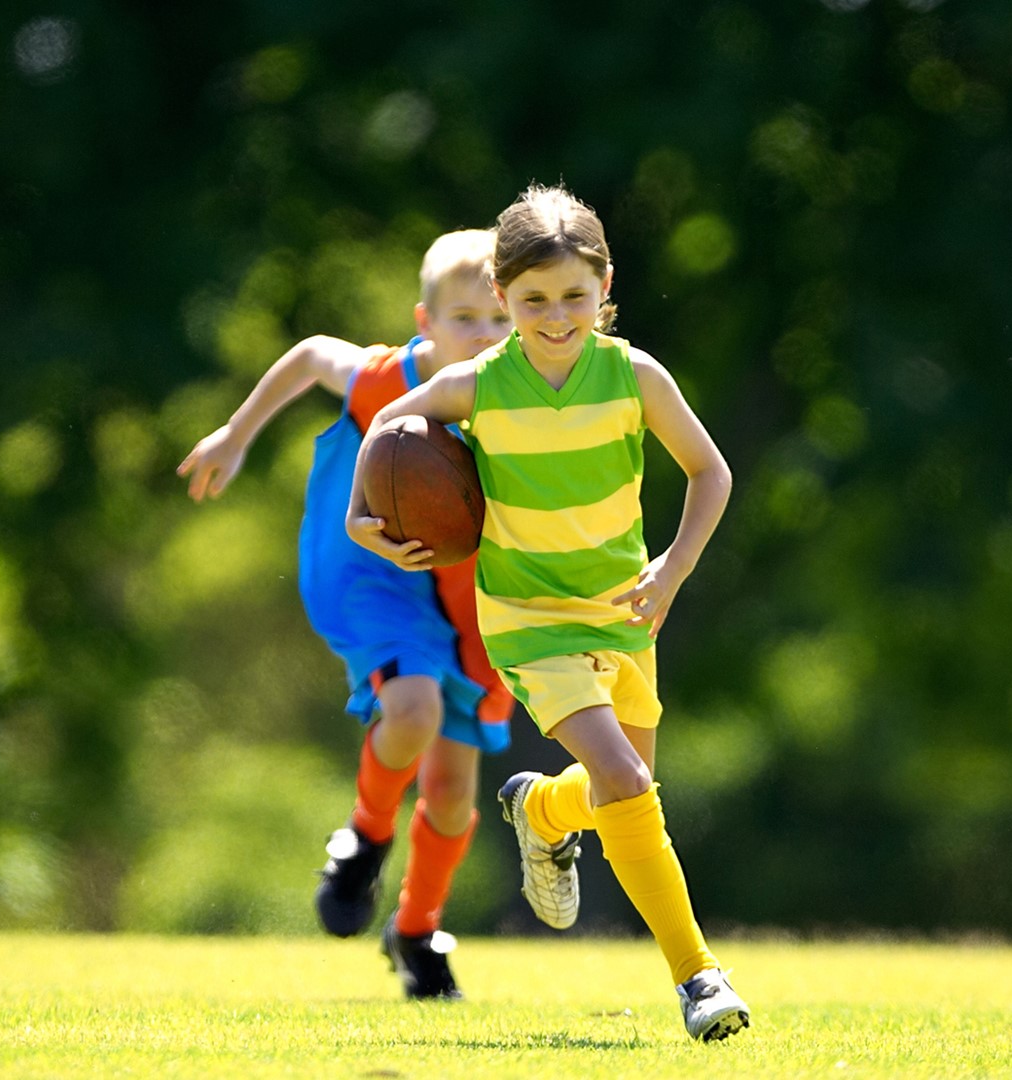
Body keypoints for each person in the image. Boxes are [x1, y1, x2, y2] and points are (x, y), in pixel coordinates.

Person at [346, 185, 749, 1041]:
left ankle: (540, 813)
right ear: (502, 298)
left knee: (615, 798)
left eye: (574, 295)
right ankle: (700, 978)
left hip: (626, 610)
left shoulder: (636, 376)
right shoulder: (480, 387)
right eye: (532, 300)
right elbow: (386, 422)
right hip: (530, 620)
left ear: (607, 286)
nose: (556, 316)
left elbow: (711, 473)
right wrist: (361, 520)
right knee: (633, 785)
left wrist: (672, 571)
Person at [178, 230, 512, 999]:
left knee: (456, 793)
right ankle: (365, 835)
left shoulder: (525, 395)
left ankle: (418, 930)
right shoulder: (386, 379)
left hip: (474, 603)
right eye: (465, 318)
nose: (485, 336)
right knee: (413, 707)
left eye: (499, 320)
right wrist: (237, 431)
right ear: (424, 321)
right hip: (380, 581)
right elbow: (309, 355)